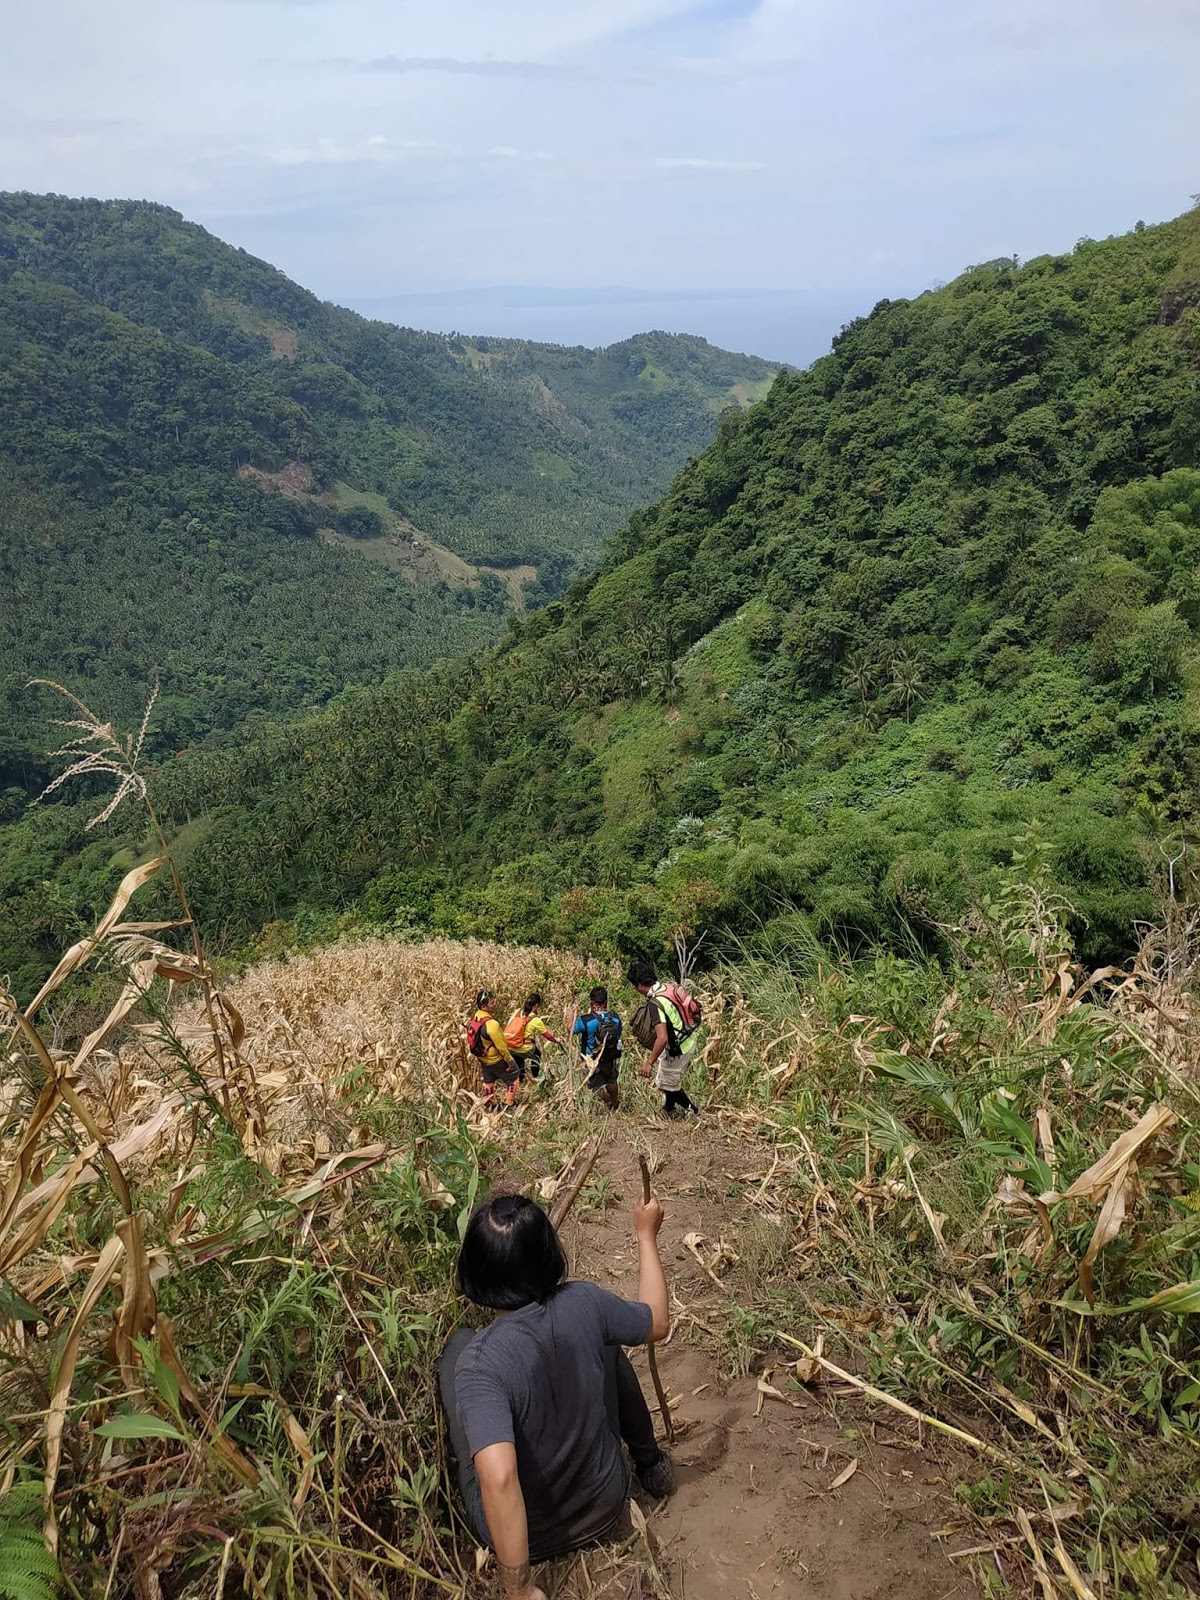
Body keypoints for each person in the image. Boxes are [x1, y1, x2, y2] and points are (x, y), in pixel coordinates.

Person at [439, 1193, 675, 1598]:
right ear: (549, 1254)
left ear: (476, 1272)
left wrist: (517, 1590)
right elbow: (656, 1321)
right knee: (607, 1342)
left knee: (454, 1350)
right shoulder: (584, 1302)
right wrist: (645, 1235)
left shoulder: (479, 1362)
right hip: (605, 1503)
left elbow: (499, 1477)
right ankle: (651, 1464)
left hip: (526, 1540)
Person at [627, 961, 700, 1118]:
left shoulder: (655, 1004)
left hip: (678, 1049)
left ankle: (694, 1111)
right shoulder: (667, 987)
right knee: (667, 1080)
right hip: (688, 1038)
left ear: (639, 985)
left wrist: (649, 1062)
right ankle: (668, 1109)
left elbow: (662, 1038)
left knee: (668, 1085)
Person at [468, 990, 522, 1110]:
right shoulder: (492, 1024)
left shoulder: (476, 1017)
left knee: (488, 1080)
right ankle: (510, 1104)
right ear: (483, 1006)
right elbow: (501, 1046)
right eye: (492, 1003)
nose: (495, 1004)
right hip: (495, 1059)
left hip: (483, 1057)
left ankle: (490, 1104)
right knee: (513, 1078)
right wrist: (510, 1061)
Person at [571, 986, 623, 1110]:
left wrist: (572, 1014)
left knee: (594, 1084)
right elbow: (619, 1033)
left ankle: (605, 1102)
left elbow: (570, 1031)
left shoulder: (586, 1020)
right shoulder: (615, 1017)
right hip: (610, 1055)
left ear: (592, 1002)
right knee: (611, 1080)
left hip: (591, 1058)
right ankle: (614, 1102)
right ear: (606, 1001)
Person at [504, 992, 561, 1082]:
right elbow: (547, 1035)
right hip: (523, 1047)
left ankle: (521, 1080)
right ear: (537, 1005)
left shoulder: (517, 1012)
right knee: (536, 1054)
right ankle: (535, 1076)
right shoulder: (536, 1020)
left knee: (519, 1058)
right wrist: (556, 1040)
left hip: (509, 1045)